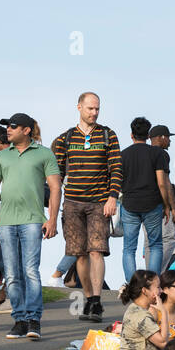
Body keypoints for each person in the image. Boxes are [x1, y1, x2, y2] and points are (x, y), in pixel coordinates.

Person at [0, 112, 61, 341]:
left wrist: (52, 219)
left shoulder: (44, 154)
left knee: (30, 271)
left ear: (26, 130)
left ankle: (34, 319)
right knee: (11, 274)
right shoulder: (2, 157)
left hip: (33, 220)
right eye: (7, 126)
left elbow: (54, 187)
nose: (8, 130)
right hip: (6, 222)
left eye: (13, 126)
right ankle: (20, 320)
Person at [52, 92, 121, 324]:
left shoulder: (107, 134)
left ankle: (98, 300)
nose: (94, 112)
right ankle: (89, 297)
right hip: (72, 202)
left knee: (96, 250)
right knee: (78, 253)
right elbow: (57, 174)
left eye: (97, 109)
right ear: (79, 107)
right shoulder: (65, 138)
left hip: (99, 201)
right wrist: (53, 206)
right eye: (90, 108)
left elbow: (116, 169)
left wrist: (113, 197)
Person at [119, 117, 175, 280]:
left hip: (129, 205)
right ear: (148, 135)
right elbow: (162, 183)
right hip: (152, 204)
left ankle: (132, 285)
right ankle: (152, 285)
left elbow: (118, 181)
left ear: (131, 135)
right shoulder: (158, 154)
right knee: (155, 245)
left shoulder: (123, 155)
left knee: (129, 248)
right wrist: (166, 205)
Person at [117, 270, 171, 350]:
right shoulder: (140, 316)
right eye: (157, 287)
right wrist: (164, 312)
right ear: (144, 291)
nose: (161, 291)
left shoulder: (138, 310)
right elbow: (163, 343)